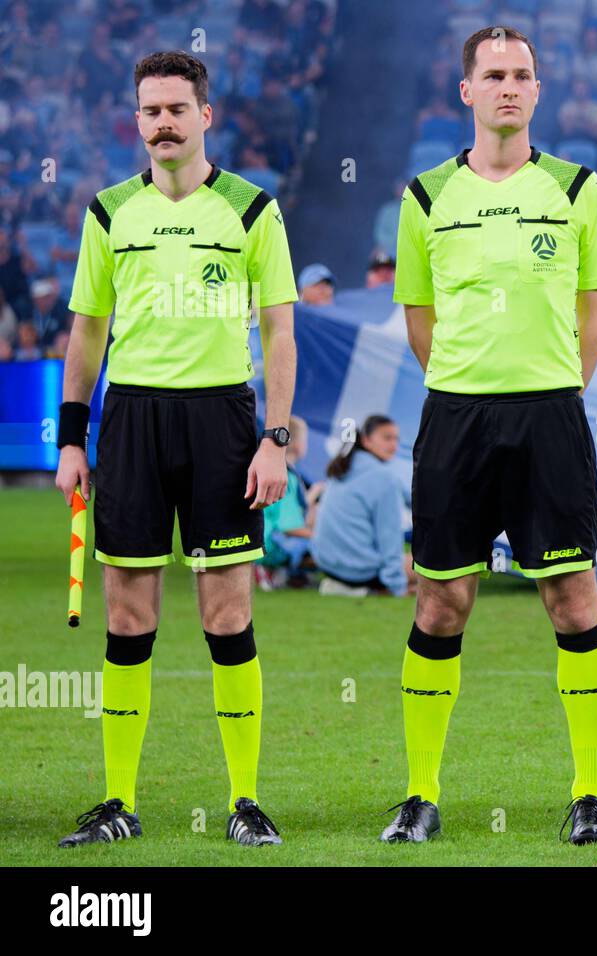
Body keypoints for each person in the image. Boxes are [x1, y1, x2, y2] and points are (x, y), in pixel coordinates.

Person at [54, 51, 298, 848]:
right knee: (128, 613)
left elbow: (279, 330)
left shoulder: (253, 209)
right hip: (131, 423)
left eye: (176, 109)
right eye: (150, 111)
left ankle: (246, 801)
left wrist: (276, 438)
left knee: (226, 612)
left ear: (205, 116)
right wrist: (71, 438)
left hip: (223, 423)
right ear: (138, 121)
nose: (163, 122)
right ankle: (117, 802)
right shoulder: (108, 211)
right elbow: (88, 329)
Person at [387, 25, 597, 845]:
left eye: (523, 75)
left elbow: (596, 310)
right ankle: (420, 796)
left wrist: (557, 384)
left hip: (551, 413)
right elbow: (420, 320)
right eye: (494, 75)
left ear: (537, 90)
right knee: (442, 599)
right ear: (467, 92)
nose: (509, 87)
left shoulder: (578, 187)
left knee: (572, 596)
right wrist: (467, 381)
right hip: (454, 417)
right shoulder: (423, 198)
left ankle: (589, 794)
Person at [311, 414, 413, 597]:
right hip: (360, 570)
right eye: (387, 437)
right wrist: (398, 588)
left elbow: (410, 497)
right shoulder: (383, 477)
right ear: (366, 440)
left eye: (396, 439)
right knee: (434, 565)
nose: (393, 445)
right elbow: (389, 538)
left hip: (328, 566)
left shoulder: (343, 468)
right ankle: (378, 590)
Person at [255, 414, 313, 589]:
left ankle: (284, 573)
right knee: (325, 547)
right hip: (269, 545)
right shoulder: (285, 477)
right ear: (298, 445)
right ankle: (273, 570)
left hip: (252, 540)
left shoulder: (265, 470)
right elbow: (289, 527)